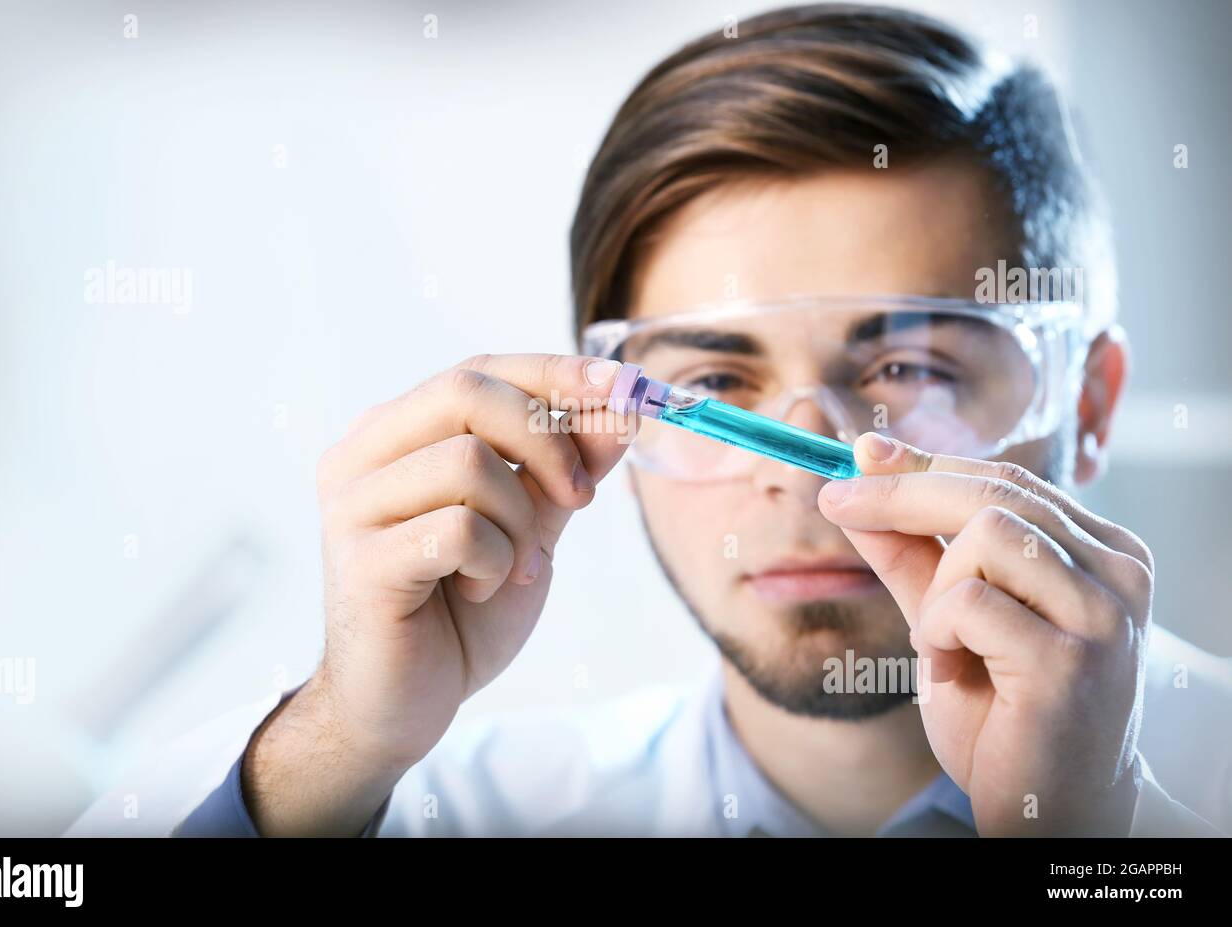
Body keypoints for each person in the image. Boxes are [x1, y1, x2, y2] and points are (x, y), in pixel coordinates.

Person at [67, 3, 1230, 838]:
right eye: (712, 388)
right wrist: (337, 740)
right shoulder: (446, 808)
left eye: (910, 367)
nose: (808, 484)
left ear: (1085, 408)